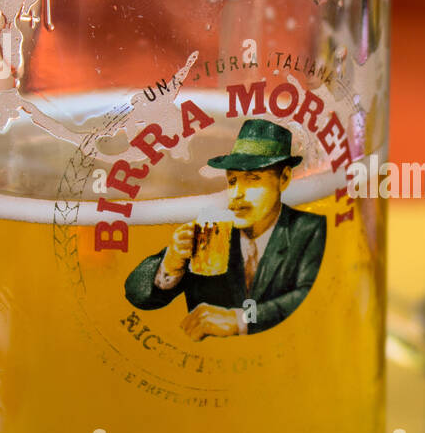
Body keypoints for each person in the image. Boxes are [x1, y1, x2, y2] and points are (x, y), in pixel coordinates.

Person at [123, 119, 326, 339]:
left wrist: (238, 319)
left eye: (253, 179)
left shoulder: (307, 229)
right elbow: (137, 293)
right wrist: (170, 264)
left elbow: (306, 296)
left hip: (291, 363)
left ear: (284, 178)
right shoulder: (214, 234)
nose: (237, 193)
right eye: (232, 181)